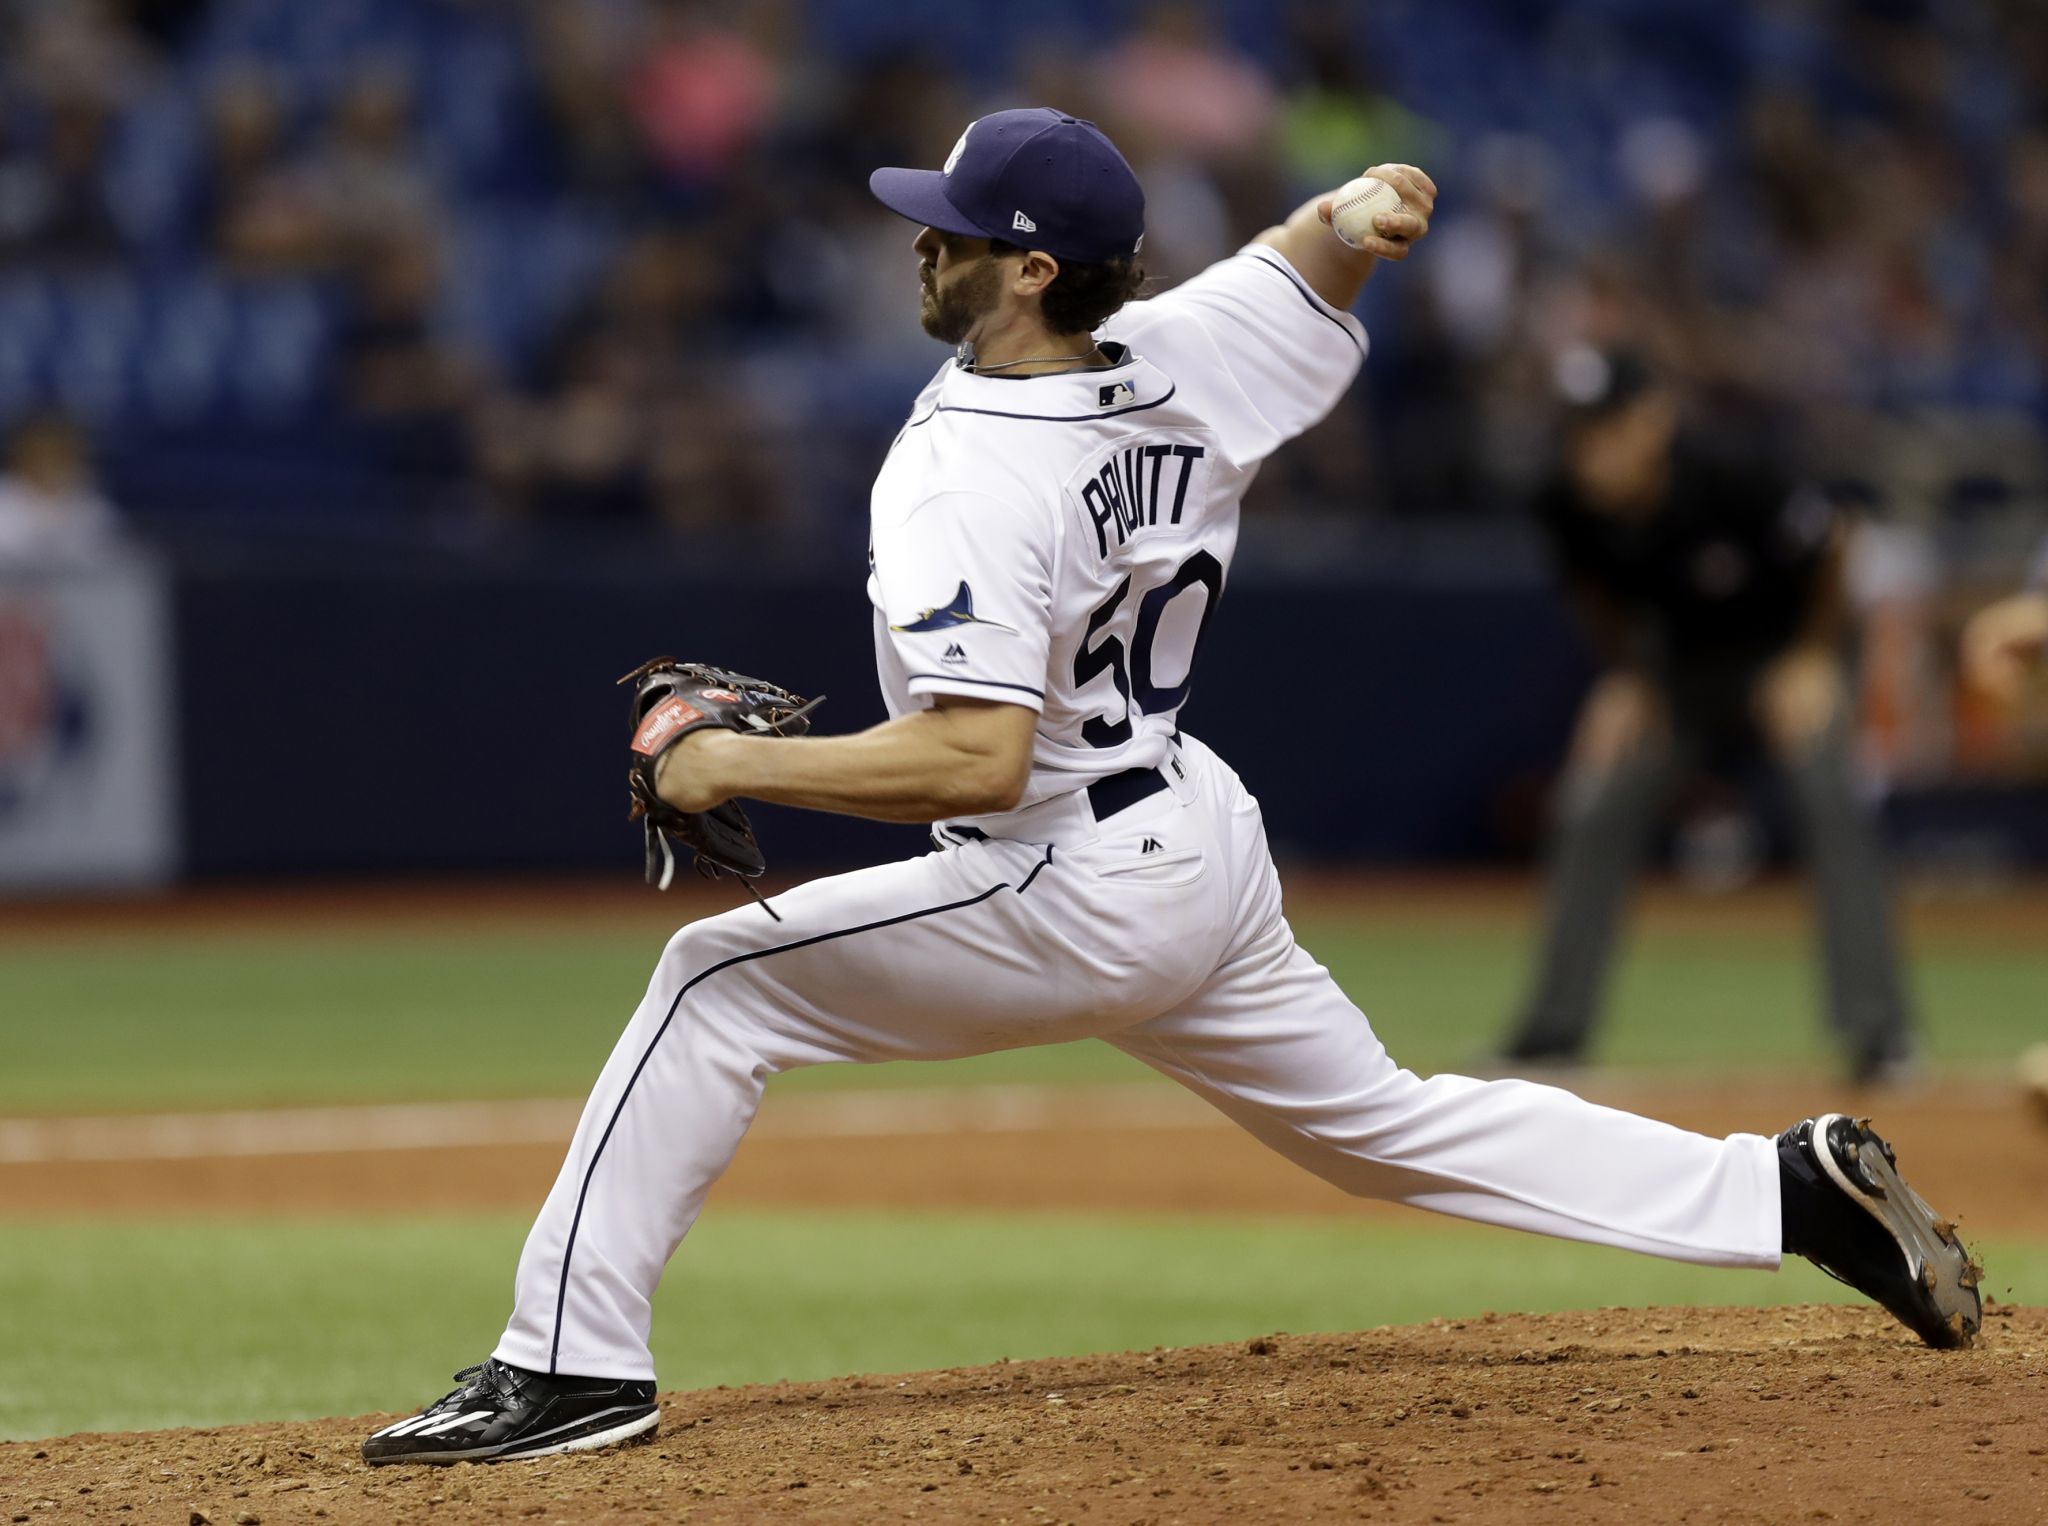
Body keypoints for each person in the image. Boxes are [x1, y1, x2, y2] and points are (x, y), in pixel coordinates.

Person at [363, 111, 1979, 1466]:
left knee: (711, 979)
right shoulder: (1169, 355)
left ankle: (568, 1363)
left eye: (951, 231)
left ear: (1029, 268)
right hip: (1193, 836)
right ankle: (1773, 1188)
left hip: (1060, 863)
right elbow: (1300, 269)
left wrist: (728, 760)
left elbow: (973, 758)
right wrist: (1349, 214)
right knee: (1385, 1127)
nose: (919, 247)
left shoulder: (959, 465)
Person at [1496, 349, 1918, 1084]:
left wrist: (1815, 657)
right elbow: (1593, 597)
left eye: (1606, 429)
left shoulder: (1731, 471)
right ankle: (1552, 1033)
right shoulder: (1562, 499)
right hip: (1679, 671)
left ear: (1652, 421)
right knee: (1594, 802)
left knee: (1830, 797)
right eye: (1577, 434)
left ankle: (1881, 1035)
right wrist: (1628, 676)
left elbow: (1836, 540)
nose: (1589, 452)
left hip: (1786, 655)